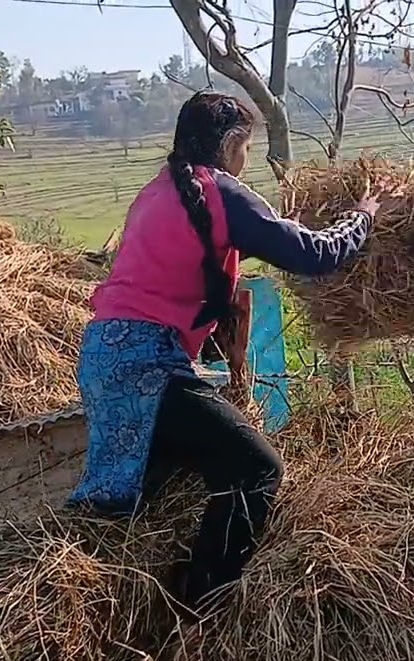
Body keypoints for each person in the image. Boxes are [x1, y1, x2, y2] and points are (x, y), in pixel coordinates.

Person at [68, 89, 385, 614]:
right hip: (149, 365)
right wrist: (363, 215)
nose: (246, 161)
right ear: (233, 143)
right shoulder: (220, 192)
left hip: (105, 355)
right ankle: (205, 607)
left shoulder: (155, 192)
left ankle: (133, 603)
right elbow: (313, 255)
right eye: (246, 149)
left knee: (144, 488)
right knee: (254, 468)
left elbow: (164, 278)